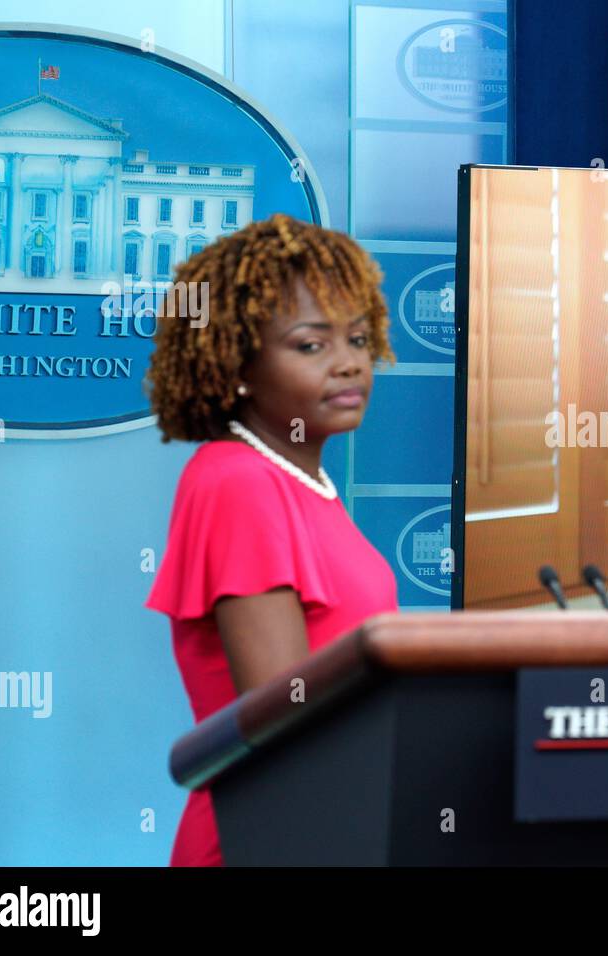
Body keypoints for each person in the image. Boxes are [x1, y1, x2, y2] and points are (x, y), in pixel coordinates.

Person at [143, 213, 401, 866]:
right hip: (269, 839)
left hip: (331, 827)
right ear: (238, 365)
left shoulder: (303, 484)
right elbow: (288, 720)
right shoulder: (239, 483)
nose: (348, 363)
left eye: (359, 338)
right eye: (311, 346)